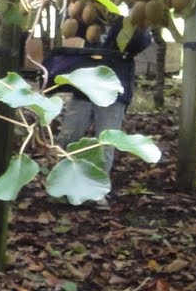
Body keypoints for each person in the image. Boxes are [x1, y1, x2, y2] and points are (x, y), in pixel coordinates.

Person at [50, 16, 153, 178]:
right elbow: (72, 30)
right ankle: (61, 178)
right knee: (70, 134)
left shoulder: (128, 23)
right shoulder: (92, 17)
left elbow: (141, 43)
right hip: (85, 87)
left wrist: (138, 23)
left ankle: (98, 187)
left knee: (106, 140)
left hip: (114, 90)